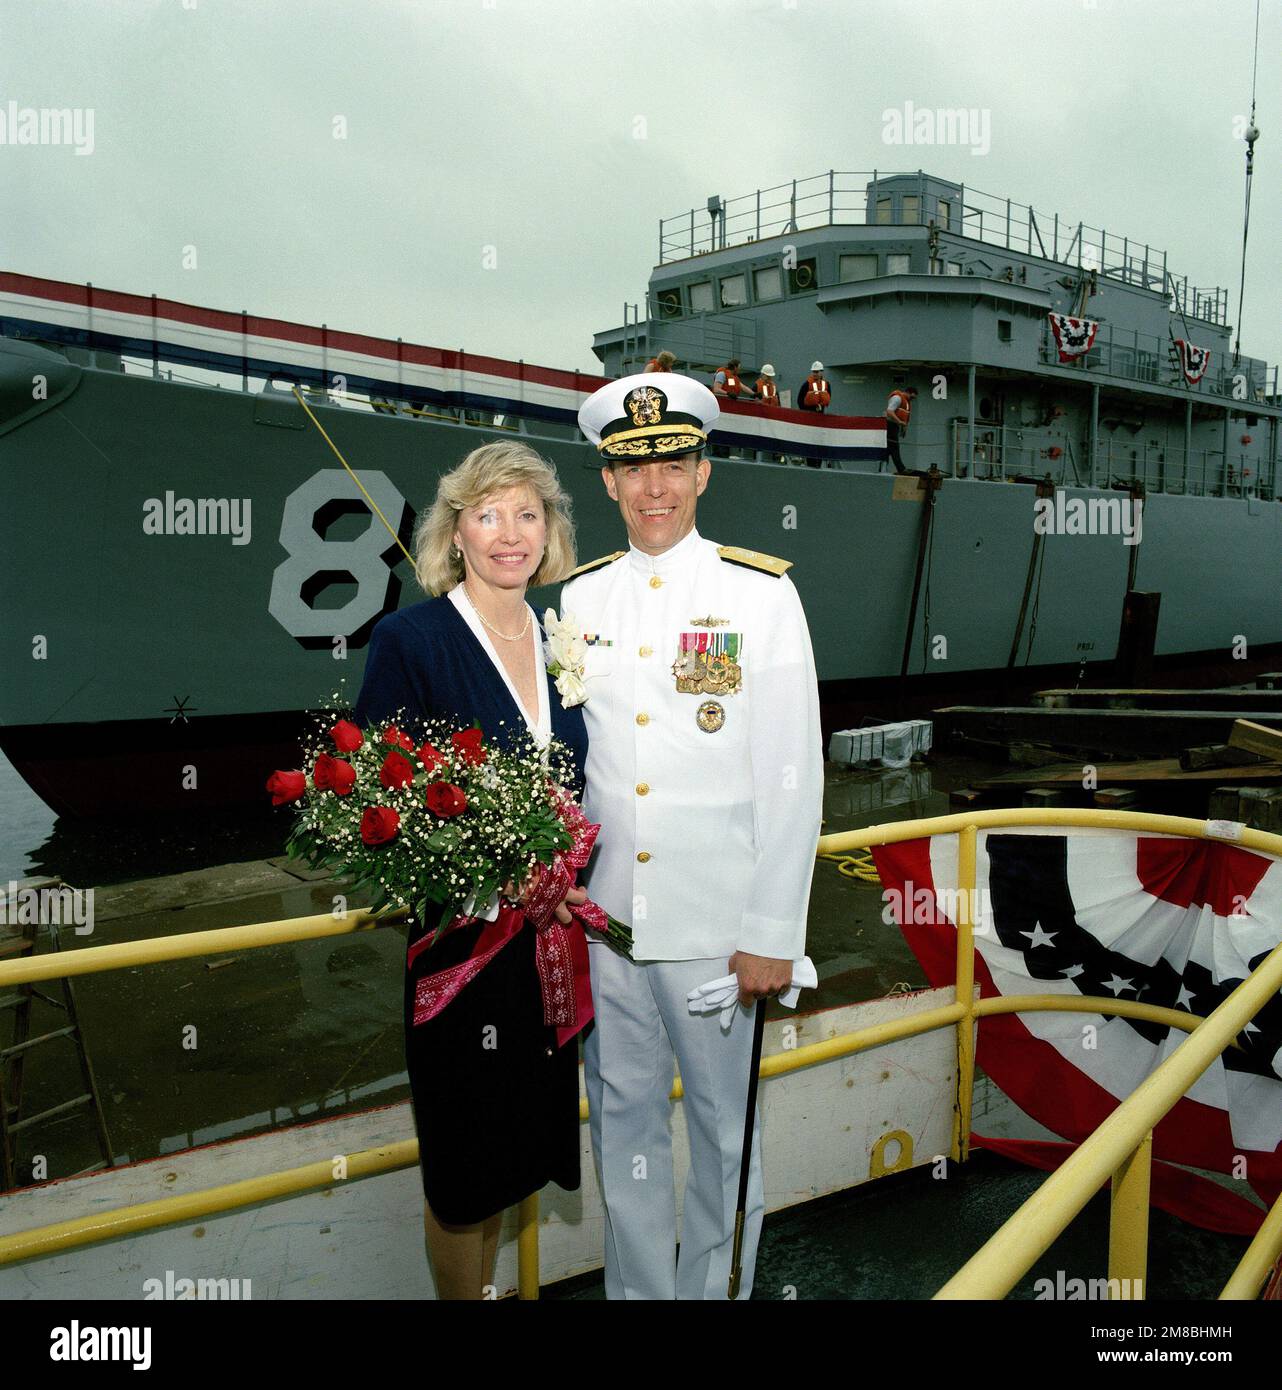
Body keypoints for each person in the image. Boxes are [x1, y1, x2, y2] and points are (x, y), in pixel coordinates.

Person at [563, 373, 823, 1299]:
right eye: (635, 471)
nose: (656, 488)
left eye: (673, 463)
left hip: (719, 933)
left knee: (724, 1139)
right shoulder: (579, 600)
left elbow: (793, 777)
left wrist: (772, 932)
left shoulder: (759, 597)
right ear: (607, 483)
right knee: (623, 1132)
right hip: (606, 926)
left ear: (704, 472)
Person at [353, 440, 589, 1300]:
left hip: (544, 954)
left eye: (529, 513)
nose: (510, 533)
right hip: (461, 956)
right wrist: (495, 874)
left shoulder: (563, 642)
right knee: (462, 1176)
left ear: (550, 531)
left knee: (516, 1152)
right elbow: (378, 809)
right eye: (488, 514)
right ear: (456, 532)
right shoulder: (410, 639)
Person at [885, 384, 916, 474]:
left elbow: (904, 415)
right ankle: (901, 469)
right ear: (908, 392)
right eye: (912, 397)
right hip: (890, 425)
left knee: (889, 448)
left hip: (895, 426)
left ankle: (882, 468)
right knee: (894, 447)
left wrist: (904, 427)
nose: (912, 399)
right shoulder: (897, 398)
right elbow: (890, 411)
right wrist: (899, 422)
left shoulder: (906, 401)